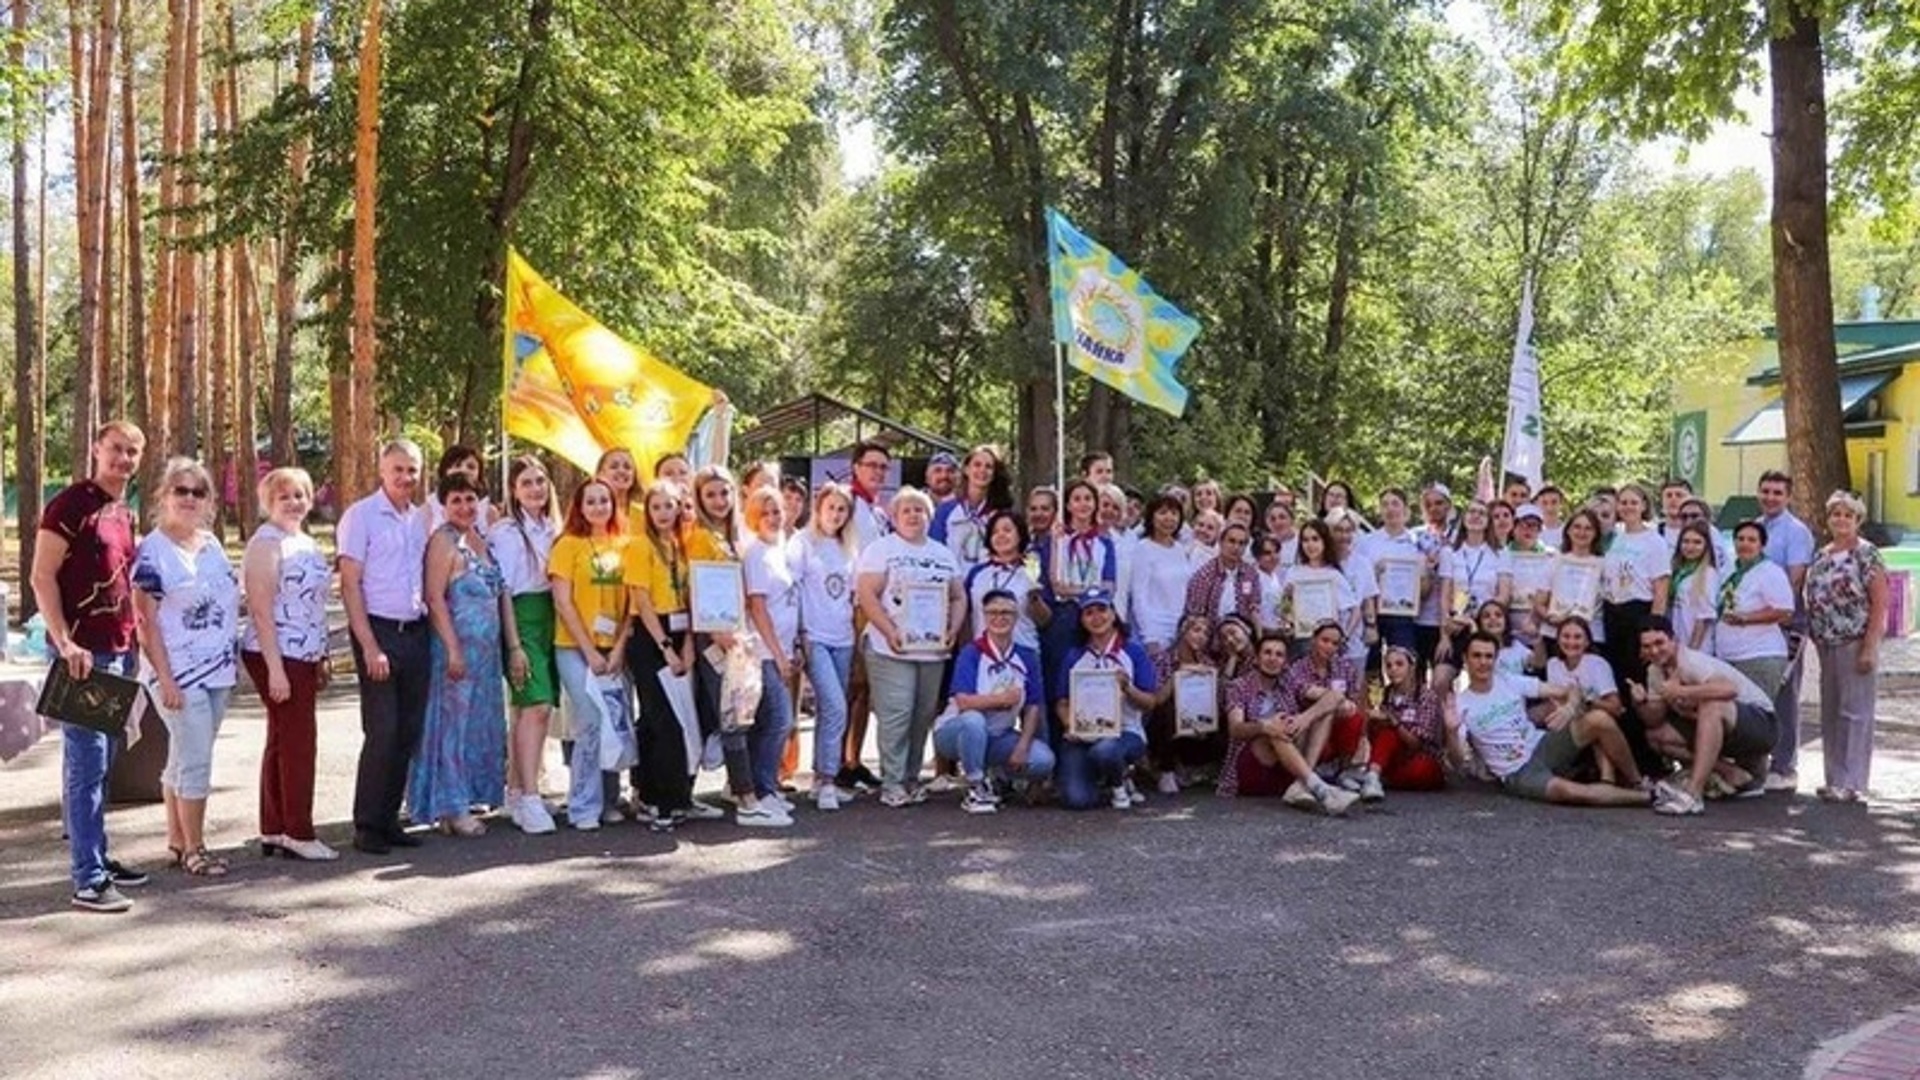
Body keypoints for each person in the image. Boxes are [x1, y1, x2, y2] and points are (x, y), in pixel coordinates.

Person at [32, 420, 151, 910]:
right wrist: (64, 642)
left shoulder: (123, 511)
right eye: (116, 449)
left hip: (118, 652)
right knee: (87, 764)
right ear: (96, 449)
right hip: (82, 654)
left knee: (102, 765)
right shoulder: (70, 506)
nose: (123, 459)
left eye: (132, 452)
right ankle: (88, 879)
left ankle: (97, 854)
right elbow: (41, 578)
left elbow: (123, 583)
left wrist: (136, 645)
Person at [131, 457, 239, 878]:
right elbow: (145, 621)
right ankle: (197, 848)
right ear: (163, 496)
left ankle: (177, 839)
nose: (190, 498)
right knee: (196, 760)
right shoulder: (153, 551)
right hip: (177, 672)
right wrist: (167, 678)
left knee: (183, 755)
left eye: (199, 491)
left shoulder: (211, 544)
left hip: (218, 669)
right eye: (181, 490)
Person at [338, 439, 433, 856]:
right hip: (378, 632)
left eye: (412, 470)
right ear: (382, 470)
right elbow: (350, 584)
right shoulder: (361, 517)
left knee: (408, 731)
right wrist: (370, 645)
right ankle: (367, 825)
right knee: (383, 730)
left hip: (415, 630)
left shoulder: (419, 519)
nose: (405, 478)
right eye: (398, 469)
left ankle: (389, 818)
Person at [686, 466, 792, 826]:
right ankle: (748, 801)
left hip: (734, 637)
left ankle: (740, 789)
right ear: (699, 499)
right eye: (711, 494)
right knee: (733, 719)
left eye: (724, 493)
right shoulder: (701, 537)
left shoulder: (729, 536)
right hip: (716, 639)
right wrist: (719, 634)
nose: (719, 500)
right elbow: (699, 590)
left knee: (739, 716)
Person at [409, 473, 513, 837]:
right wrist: (452, 647)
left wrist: (511, 647)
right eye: (456, 501)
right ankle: (450, 806)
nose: (465, 507)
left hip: (487, 656)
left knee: (476, 727)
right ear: (444, 505)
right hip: (456, 652)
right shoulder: (443, 541)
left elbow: (501, 595)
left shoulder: (480, 540)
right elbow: (435, 598)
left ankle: (466, 799)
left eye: (470, 499)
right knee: (451, 728)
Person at [242, 467, 337, 861]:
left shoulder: (305, 542)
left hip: (306, 652)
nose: (294, 503)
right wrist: (276, 668)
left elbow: (316, 605)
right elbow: (261, 610)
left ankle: (276, 827)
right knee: (299, 741)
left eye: (300, 494)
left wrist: (324, 652)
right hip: (278, 653)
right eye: (285, 497)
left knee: (283, 738)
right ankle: (298, 830)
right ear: (269, 502)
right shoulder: (266, 544)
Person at [1444, 632, 1649, 806]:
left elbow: (1569, 691)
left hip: (1542, 745)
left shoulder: (1508, 681)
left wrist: (1569, 708)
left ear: (1496, 659)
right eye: (1476, 656)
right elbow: (1458, 762)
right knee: (1568, 792)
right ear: (1465, 659)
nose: (1483, 662)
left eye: (1488, 656)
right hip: (1517, 771)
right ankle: (1648, 797)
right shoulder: (1461, 704)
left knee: (1599, 719)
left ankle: (1638, 781)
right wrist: (1452, 732)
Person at [856, 486, 966, 806]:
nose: (914, 515)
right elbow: (866, 594)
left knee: (922, 714)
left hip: (932, 649)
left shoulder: (942, 554)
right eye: (907, 510)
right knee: (897, 713)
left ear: (930, 517)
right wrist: (889, 631)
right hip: (891, 648)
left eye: (920, 510)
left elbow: (958, 596)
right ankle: (892, 782)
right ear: (894, 516)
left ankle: (911, 778)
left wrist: (954, 629)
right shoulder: (881, 549)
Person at [548, 479, 637, 831]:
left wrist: (617, 649)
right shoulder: (567, 545)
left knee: (615, 718)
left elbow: (632, 603)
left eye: (605, 500)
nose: (599, 506)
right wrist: (589, 650)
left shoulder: (626, 545)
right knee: (589, 721)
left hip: (614, 648)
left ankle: (610, 798)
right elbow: (563, 601)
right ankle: (583, 803)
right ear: (580, 507)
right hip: (574, 647)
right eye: (591, 501)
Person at [1632, 617, 1779, 814]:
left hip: (1763, 725)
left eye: (1660, 643)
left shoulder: (1691, 662)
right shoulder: (1654, 671)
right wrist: (1640, 702)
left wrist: (1680, 692)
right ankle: (1732, 773)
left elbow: (1729, 689)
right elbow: (1654, 720)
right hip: (1720, 729)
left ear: (1673, 640)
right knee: (1656, 736)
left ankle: (1693, 794)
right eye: (1647, 646)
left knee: (1712, 706)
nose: (1654, 651)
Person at [931, 589, 1057, 813]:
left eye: (1007, 612)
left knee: (1042, 760)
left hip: (999, 735)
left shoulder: (1026, 656)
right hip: (955, 733)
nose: (1000, 618)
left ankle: (997, 776)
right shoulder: (972, 652)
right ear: (985, 616)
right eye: (993, 612)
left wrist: (1023, 745)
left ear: (1016, 617)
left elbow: (1032, 706)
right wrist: (999, 700)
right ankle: (975, 785)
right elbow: (964, 702)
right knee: (973, 720)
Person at [1216, 629, 1360, 815]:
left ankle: (1302, 785)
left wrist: (1304, 718)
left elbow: (1334, 697)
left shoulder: (1289, 682)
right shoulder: (1239, 686)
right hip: (1252, 768)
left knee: (1322, 712)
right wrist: (1265, 726)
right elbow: (1235, 729)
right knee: (1275, 728)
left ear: (1285, 662)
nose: (1273, 658)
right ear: (1257, 659)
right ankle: (1321, 791)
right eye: (1267, 653)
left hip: (1288, 766)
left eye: (1279, 654)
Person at [490, 455, 561, 834]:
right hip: (522, 619)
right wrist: (514, 643)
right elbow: (504, 590)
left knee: (526, 711)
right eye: (527, 483)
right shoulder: (506, 532)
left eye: (540, 481)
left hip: (551, 616)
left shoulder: (552, 528)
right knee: (537, 705)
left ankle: (516, 790)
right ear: (514, 491)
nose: (536, 488)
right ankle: (532, 796)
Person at [1803, 490, 1887, 803]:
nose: (1841, 520)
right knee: (1831, 711)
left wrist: (1871, 646)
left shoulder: (1867, 554)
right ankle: (1833, 777)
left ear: (1857, 520)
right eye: (1836, 514)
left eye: (1848, 515)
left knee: (1855, 711)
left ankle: (1852, 781)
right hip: (1826, 640)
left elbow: (1879, 603)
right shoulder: (1822, 555)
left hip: (1855, 639)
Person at [624, 480, 699, 827]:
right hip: (649, 637)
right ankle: (665, 804)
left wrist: (684, 643)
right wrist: (665, 647)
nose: (664, 513)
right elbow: (640, 600)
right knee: (663, 720)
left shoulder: (680, 547)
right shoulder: (640, 546)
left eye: (670, 506)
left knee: (672, 720)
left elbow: (688, 598)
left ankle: (659, 795)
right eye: (656, 507)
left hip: (678, 628)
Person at [788, 483, 859, 811]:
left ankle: (820, 776)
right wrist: (800, 634)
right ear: (819, 508)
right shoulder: (802, 543)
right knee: (834, 705)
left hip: (843, 636)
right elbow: (794, 590)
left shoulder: (848, 546)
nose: (836, 514)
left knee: (832, 710)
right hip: (814, 636)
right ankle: (829, 778)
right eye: (831, 507)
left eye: (842, 509)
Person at [1052, 589, 1157, 810]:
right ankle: (1105, 775)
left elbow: (1150, 702)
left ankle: (1120, 783)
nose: (1097, 617)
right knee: (1077, 800)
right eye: (1089, 613)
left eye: (1102, 610)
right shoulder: (1074, 655)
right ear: (1081, 620)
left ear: (1113, 614)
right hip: (1083, 734)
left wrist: (1128, 687)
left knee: (1105, 750)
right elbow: (1062, 702)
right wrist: (1070, 725)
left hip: (1125, 732)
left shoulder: (1133, 652)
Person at [1753, 471, 1817, 794]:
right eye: (1765, 491)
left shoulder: (1796, 531)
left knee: (1785, 693)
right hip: (1756, 621)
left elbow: (1794, 580)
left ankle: (1785, 764)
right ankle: (1759, 760)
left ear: (1788, 496)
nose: (1770, 497)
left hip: (1785, 620)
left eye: (1777, 492)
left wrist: (1773, 613)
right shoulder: (1755, 527)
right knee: (1760, 689)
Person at [742, 488, 802, 817]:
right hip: (764, 650)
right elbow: (759, 608)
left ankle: (764, 784)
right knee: (779, 720)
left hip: (784, 646)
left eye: (777, 511)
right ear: (753, 516)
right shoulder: (756, 554)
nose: (774, 518)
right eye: (766, 512)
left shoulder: (781, 551)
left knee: (774, 721)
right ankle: (761, 788)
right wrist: (778, 654)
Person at [1599, 485, 1669, 741]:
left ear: (1643, 506)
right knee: (1616, 678)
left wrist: (1652, 628)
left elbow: (1661, 587)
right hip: (1612, 613)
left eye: (1633, 502)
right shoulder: (1616, 539)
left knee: (1637, 679)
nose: (1628, 507)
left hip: (1637, 612)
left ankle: (1643, 747)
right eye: (1623, 502)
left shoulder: (1654, 541)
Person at [1039, 480, 1117, 676]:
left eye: (1088, 499)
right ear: (1068, 505)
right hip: (1066, 613)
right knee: (1062, 666)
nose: (1083, 504)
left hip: (1096, 610)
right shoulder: (1058, 540)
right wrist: (1090, 589)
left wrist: (1077, 590)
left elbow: (1109, 586)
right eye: (1077, 499)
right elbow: (1056, 585)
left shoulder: (1104, 543)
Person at [1144, 611, 1227, 793]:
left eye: (1206, 633)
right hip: (1166, 728)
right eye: (1196, 630)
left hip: (1198, 726)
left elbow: (1218, 702)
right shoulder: (1162, 659)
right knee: (1166, 710)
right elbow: (1156, 701)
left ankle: (1200, 768)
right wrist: (1178, 676)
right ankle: (1166, 769)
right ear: (1183, 631)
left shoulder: (1208, 664)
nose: (1202, 637)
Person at [1714, 520, 1794, 702]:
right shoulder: (1730, 570)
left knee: (1756, 714)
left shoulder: (1770, 572)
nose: (1745, 544)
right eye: (1740, 539)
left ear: (1762, 545)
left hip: (1758, 656)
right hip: (1728, 655)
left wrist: (1746, 618)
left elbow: (1784, 611)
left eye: (1752, 540)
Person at [963, 511, 1046, 652]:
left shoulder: (1032, 570)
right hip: (983, 653)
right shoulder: (977, 573)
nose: (1001, 535)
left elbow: (1044, 621)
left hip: (1024, 651)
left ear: (1020, 535)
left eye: (1007, 530)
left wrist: (1034, 597)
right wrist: (968, 651)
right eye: (995, 531)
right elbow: (966, 616)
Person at [1368, 646, 1447, 791]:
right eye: (1389, 665)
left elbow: (1417, 744)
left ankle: (1380, 777)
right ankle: (1373, 777)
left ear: (1412, 667)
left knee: (1420, 771)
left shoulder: (1426, 696)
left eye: (1399, 664)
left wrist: (1393, 720)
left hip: (1421, 756)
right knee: (1386, 733)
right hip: (1396, 755)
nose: (1393, 669)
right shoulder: (1386, 693)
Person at [1127, 494, 1193, 653]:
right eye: (1163, 512)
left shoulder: (1179, 549)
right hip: (1155, 629)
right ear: (1151, 517)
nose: (1169, 518)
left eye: (1174, 513)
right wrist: (1149, 636)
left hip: (1181, 627)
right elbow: (1139, 596)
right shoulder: (1143, 548)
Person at [931, 444, 1012, 567]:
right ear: (966, 469)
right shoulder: (945, 510)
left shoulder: (1001, 514)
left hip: (986, 582)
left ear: (994, 473)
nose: (982, 470)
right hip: (950, 580)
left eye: (988, 467)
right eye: (977, 465)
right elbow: (935, 548)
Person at [1184, 521, 1261, 629]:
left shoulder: (1250, 574)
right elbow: (1195, 615)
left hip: (1243, 635)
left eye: (1241, 543)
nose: (1236, 547)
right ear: (1221, 542)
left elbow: (1254, 608)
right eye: (1231, 541)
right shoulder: (1204, 575)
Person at [1667, 521, 1720, 653]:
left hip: (1698, 648)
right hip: (1677, 642)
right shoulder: (1677, 572)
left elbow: (1704, 617)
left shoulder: (1708, 574)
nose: (1690, 547)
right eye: (1686, 541)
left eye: (1697, 542)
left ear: (1706, 546)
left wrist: (1691, 651)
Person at [426, 444, 494, 530]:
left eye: (471, 467)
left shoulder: (489, 512)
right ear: (445, 471)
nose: (464, 470)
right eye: (457, 465)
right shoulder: (429, 508)